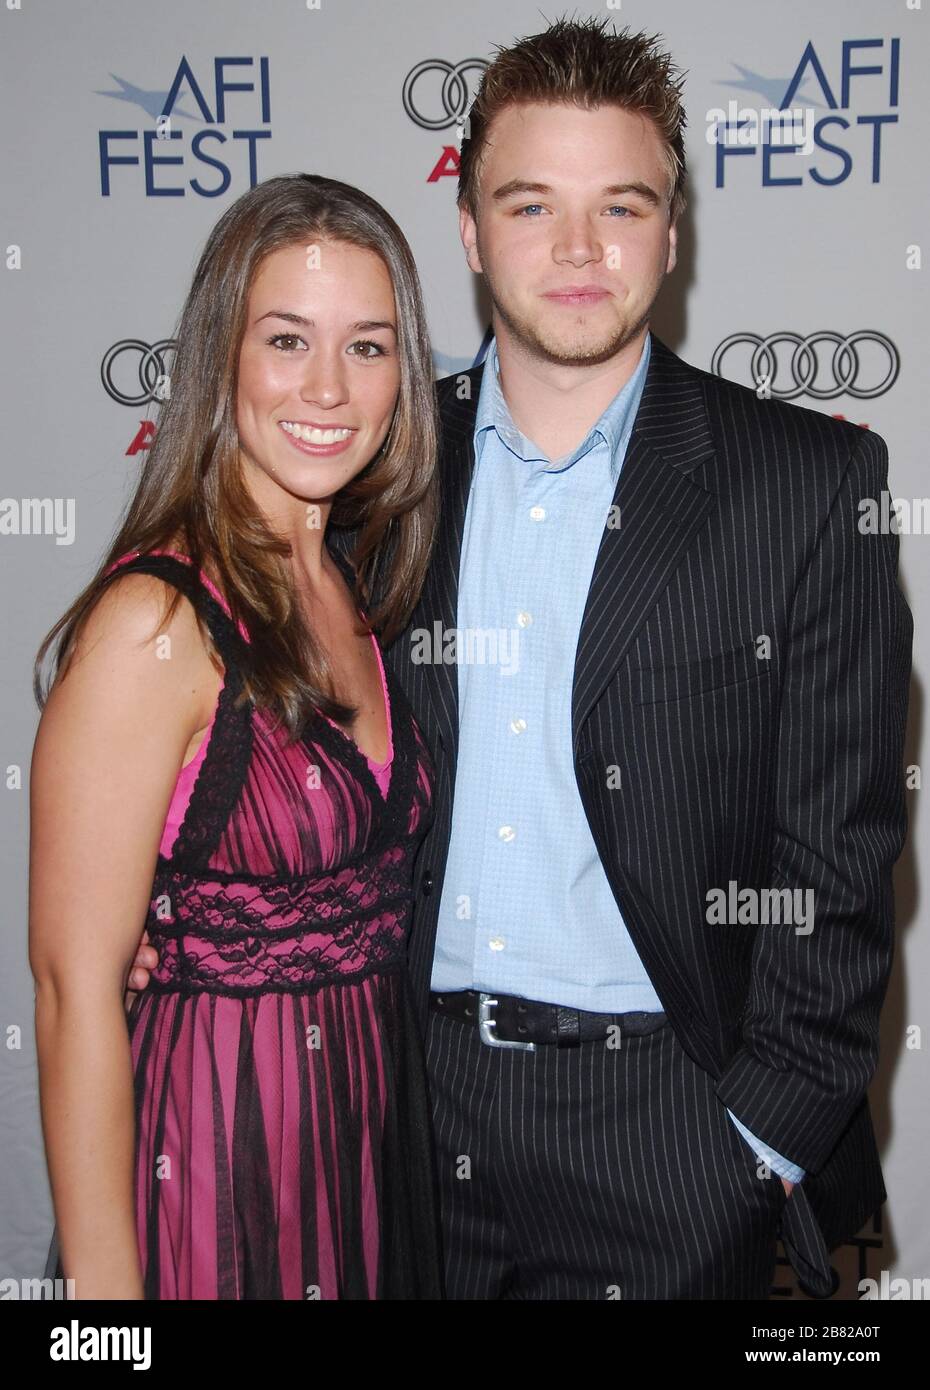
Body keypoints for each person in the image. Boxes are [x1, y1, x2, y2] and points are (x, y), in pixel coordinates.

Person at [129, 19, 913, 1300]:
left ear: (674, 231)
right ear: (471, 232)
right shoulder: (369, 476)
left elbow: (842, 850)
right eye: (531, 203)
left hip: (671, 1130)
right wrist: (171, 920)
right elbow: (252, 744)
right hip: (395, 1108)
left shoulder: (808, 486)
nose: (580, 249)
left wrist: (755, 1144)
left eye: (622, 204)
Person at [30, 173, 443, 1300]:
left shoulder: (352, 583)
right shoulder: (153, 622)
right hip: (210, 1175)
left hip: (365, 1160)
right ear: (221, 356)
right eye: (286, 340)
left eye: (368, 347)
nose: (327, 387)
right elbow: (73, 995)